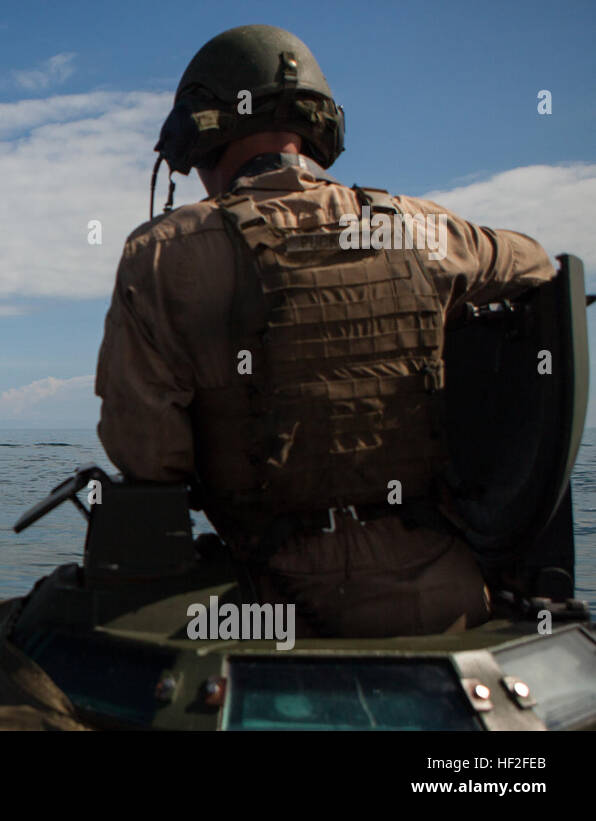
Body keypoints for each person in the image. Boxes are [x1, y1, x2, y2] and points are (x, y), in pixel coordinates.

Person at [95, 24, 556, 637]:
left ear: (198, 132)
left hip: (276, 605)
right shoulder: (422, 230)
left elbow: (149, 458)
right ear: (320, 128)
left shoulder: (162, 254)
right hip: (451, 599)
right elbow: (539, 266)